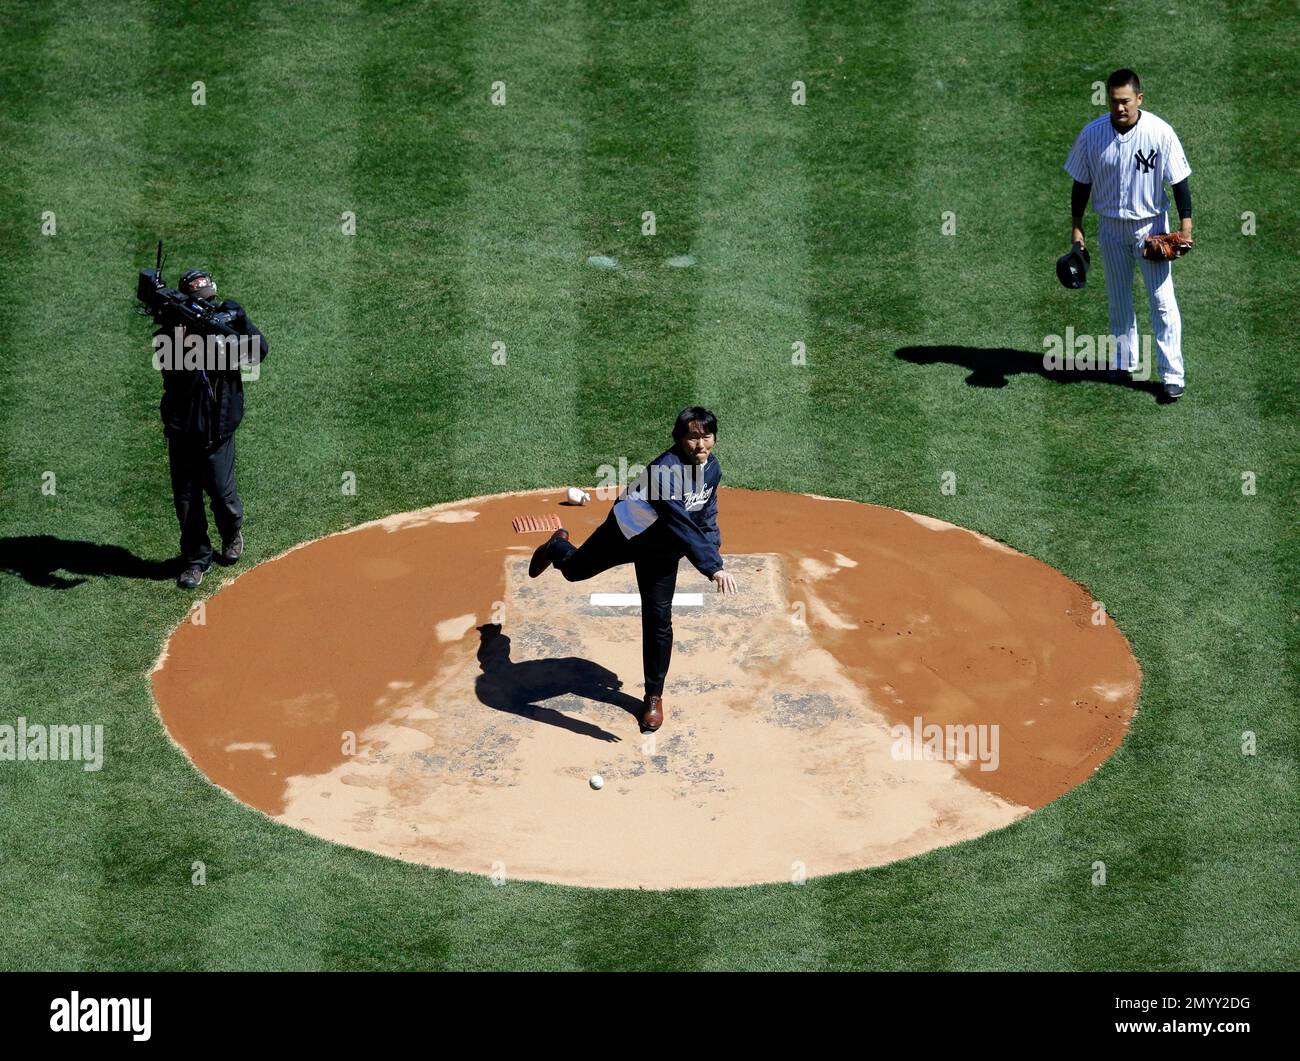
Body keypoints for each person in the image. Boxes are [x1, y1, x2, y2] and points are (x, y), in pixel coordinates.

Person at [528, 406, 738, 732]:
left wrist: (714, 551)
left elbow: (706, 513)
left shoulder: (712, 469)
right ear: (679, 439)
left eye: (706, 437)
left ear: (714, 437)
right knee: (573, 571)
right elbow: (679, 521)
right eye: (692, 437)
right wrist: (712, 567)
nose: (701, 445)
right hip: (625, 535)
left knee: (658, 619)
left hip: (662, 551)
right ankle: (557, 546)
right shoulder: (663, 473)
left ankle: (653, 697)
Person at [1064, 68, 1193, 401]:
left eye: (1125, 101)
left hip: (1152, 228)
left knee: (1162, 302)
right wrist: (1077, 226)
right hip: (1110, 227)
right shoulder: (1092, 134)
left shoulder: (1159, 132)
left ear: (1139, 98)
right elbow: (1081, 182)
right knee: (1119, 300)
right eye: (1113, 101)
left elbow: (1179, 181)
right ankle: (1125, 361)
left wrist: (1185, 227)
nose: (1119, 108)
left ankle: (1171, 374)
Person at [156, 268, 268, 588]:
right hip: (183, 434)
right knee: (187, 503)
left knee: (223, 494)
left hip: (218, 432)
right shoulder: (169, 337)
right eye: (197, 304)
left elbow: (259, 352)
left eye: (207, 303)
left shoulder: (224, 329)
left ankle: (231, 533)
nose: (204, 309)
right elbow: (184, 373)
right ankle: (196, 560)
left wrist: (241, 321)